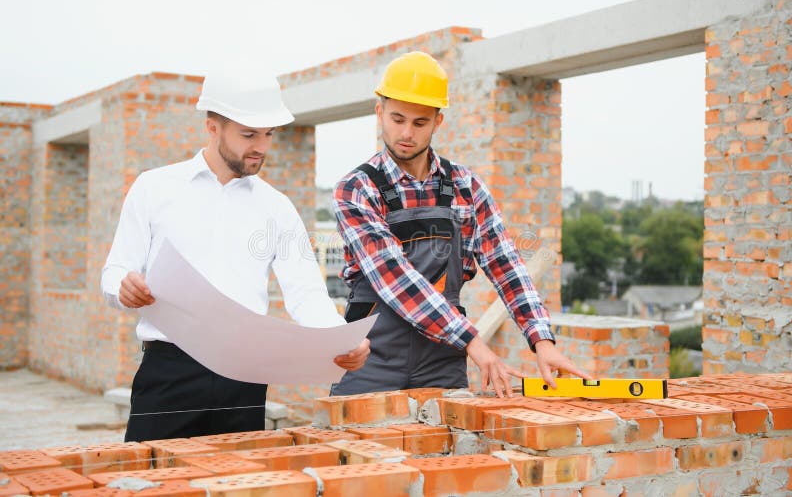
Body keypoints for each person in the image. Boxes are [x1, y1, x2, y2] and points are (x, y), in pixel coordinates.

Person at [101, 70, 369, 441]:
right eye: (248, 134)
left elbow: (306, 293)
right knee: (150, 482)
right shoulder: (154, 188)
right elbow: (114, 271)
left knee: (239, 482)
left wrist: (340, 340)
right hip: (169, 373)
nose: (261, 145)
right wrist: (123, 286)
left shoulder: (277, 207)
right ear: (213, 127)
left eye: (268, 134)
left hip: (244, 375)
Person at [330, 51, 588, 397]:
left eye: (420, 123)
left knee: (446, 447)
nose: (406, 133)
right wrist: (474, 344)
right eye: (397, 119)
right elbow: (395, 278)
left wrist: (541, 339)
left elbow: (505, 265)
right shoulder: (357, 189)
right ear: (379, 113)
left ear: (438, 121)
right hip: (370, 354)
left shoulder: (466, 187)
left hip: (442, 358)